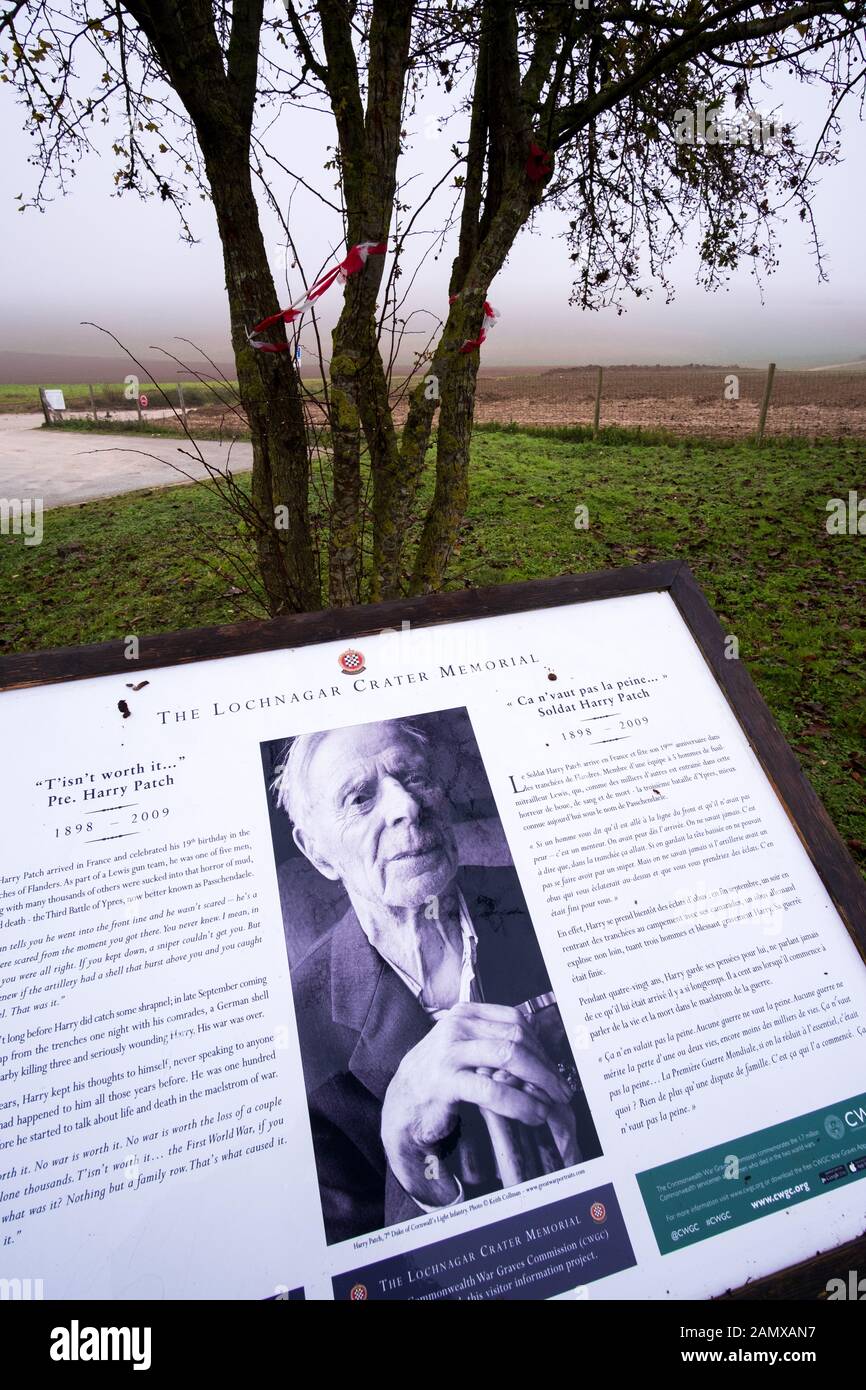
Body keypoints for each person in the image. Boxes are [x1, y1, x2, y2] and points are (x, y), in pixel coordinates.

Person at [273, 717, 599, 1244]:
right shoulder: (296, 1033)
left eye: (415, 777)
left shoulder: (552, 901)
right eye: (359, 799)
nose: (406, 806)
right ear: (316, 852)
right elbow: (355, 1265)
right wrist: (409, 1160)